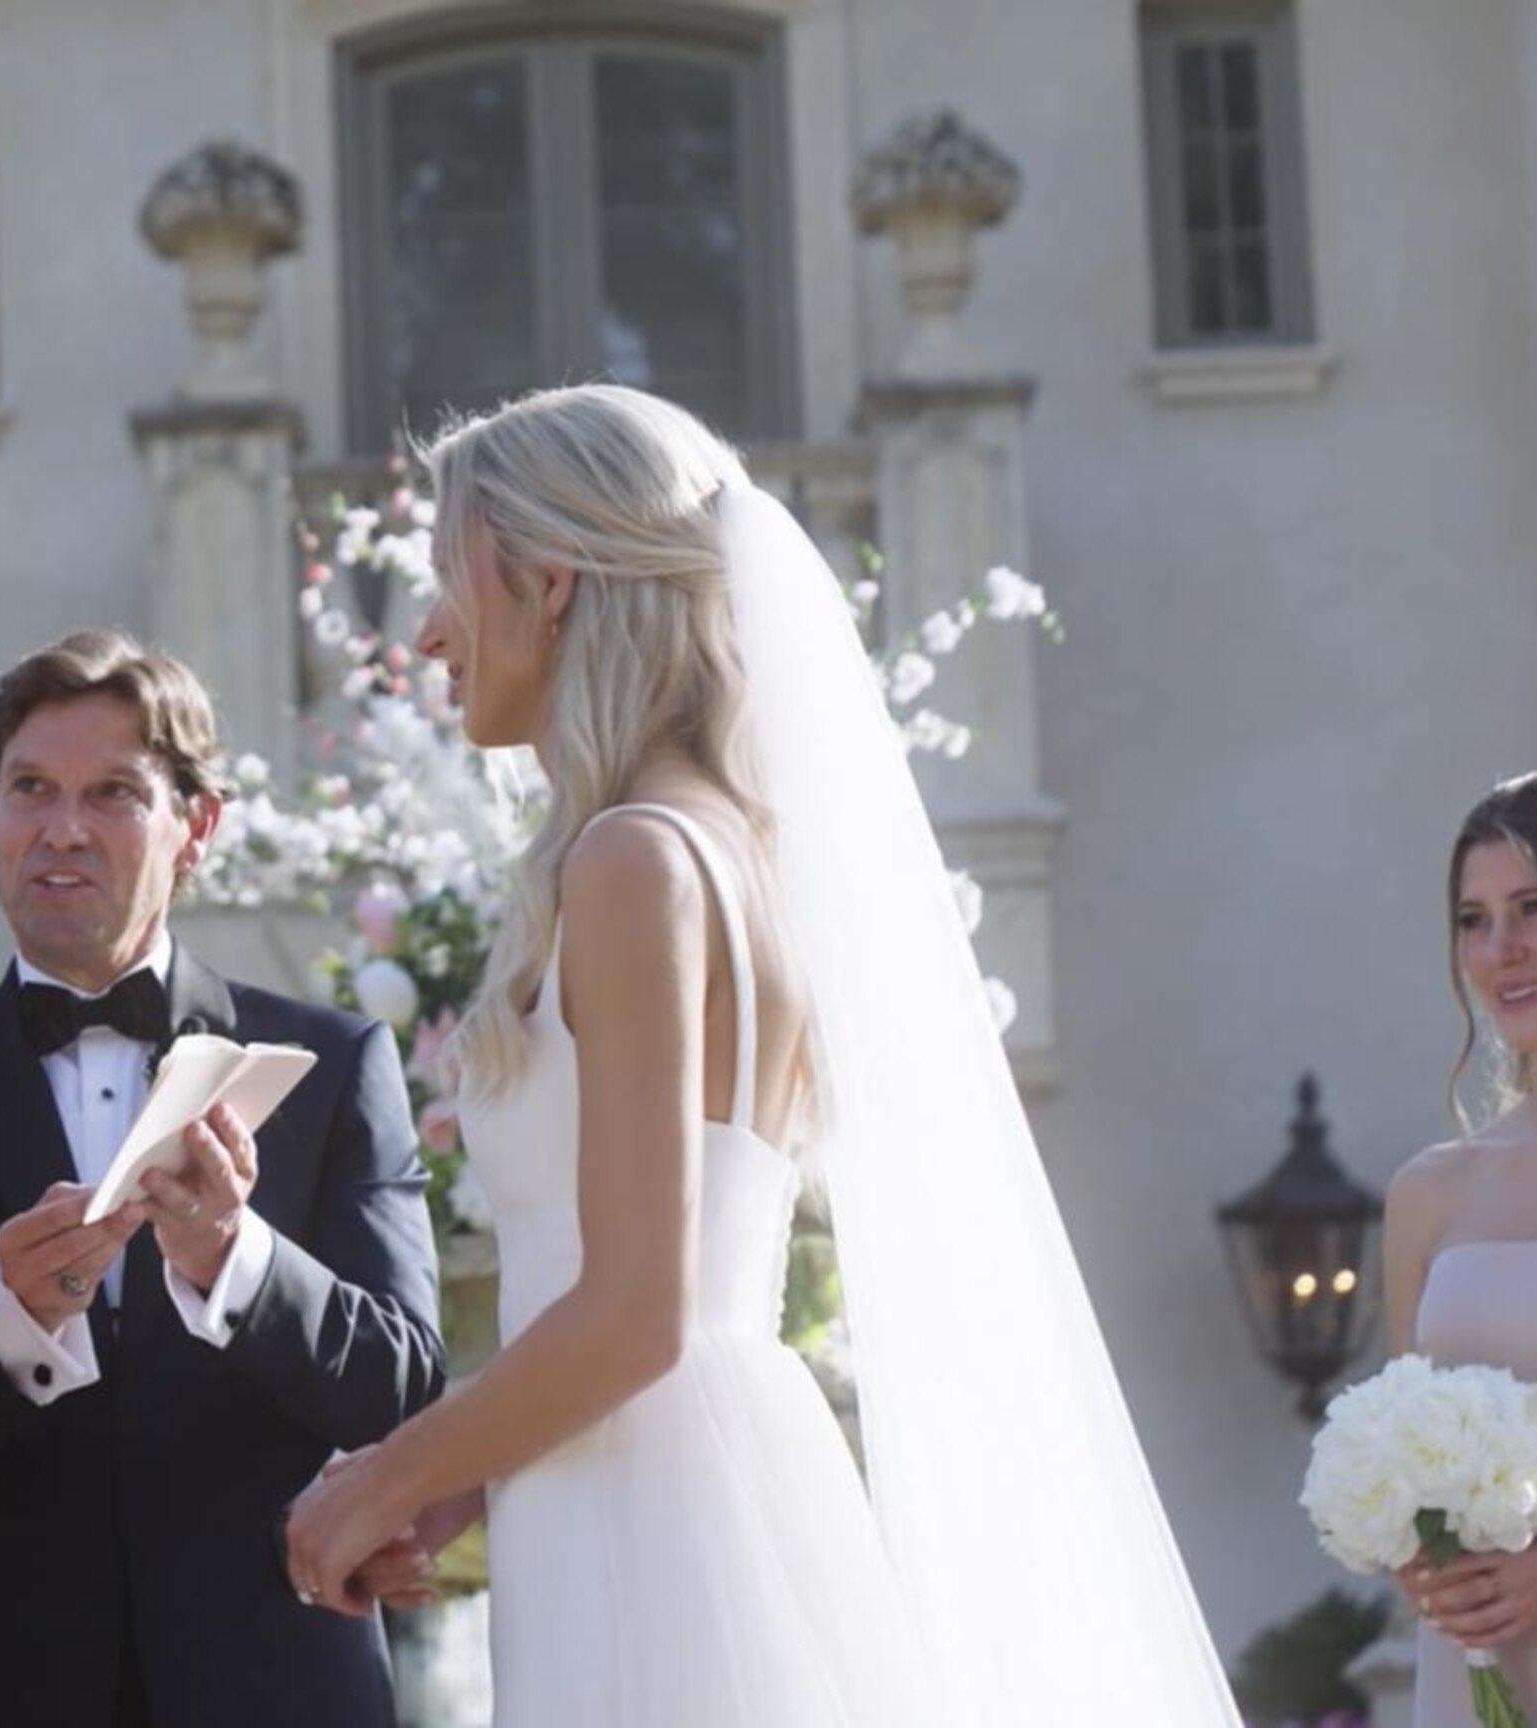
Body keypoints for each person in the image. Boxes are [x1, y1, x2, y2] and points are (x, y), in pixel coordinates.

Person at [279, 384, 1241, 1725]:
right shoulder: (736, 852)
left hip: (655, 1527)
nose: (429, 631)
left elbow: (637, 1311)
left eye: (451, 577)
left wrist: (381, 1478)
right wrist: (461, 1482)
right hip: (675, 1477)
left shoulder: (633, 862)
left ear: (548, 583)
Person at [0, 631, 444, 1728]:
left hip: (274, 1675)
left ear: (196, 827)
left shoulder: (333, 1064)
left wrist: (234, 1262)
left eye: (113, 794)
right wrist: (9, 1314)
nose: (62, 829)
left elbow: (401, 1383)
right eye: (32, 789)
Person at [1383, 769, 1537, 1724]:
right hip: (1482, 1685)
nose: (1501, 950)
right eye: (1473, 920)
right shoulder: (1428, 1196)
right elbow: (1399, 1465)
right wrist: (1417, 1561)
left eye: (1533, 907)